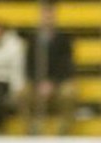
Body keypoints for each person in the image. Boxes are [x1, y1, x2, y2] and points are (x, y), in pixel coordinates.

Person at [22, 3, 75, 135]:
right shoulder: (32, 38)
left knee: (69, 93)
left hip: (58, 82)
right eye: (45, 15)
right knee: (21, 94)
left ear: (55, 17)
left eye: (50, 15)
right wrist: (38, 83)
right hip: (37, 82)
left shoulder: (64, 39)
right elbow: (28, 65)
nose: (47, 18)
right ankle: (32, 129)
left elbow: (67, 65)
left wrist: (53, 83)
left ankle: (63, 130)